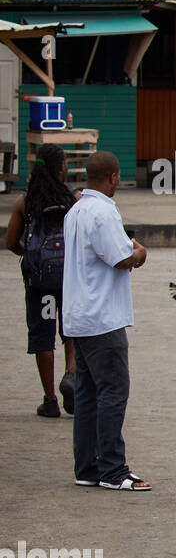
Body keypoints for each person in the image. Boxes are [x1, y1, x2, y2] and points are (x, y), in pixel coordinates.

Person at [62, 150, 150, 491]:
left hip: (78, 318)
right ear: (113, 177)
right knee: (113, 391)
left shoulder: (76, 210)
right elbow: (122, 258)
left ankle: (86, 468)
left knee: (87, 395)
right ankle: (114, 470)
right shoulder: (103, 211)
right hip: (103, 319)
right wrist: (140, 253)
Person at [7, 144, 78, 417]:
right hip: (68, 279)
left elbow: (10, 241)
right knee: (69, 329)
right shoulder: (72, 199)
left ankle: (50, 400)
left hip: (40, 284)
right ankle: (70, 375)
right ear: (60, 167)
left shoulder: (26, 201)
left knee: (43, 336)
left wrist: (31, 255)